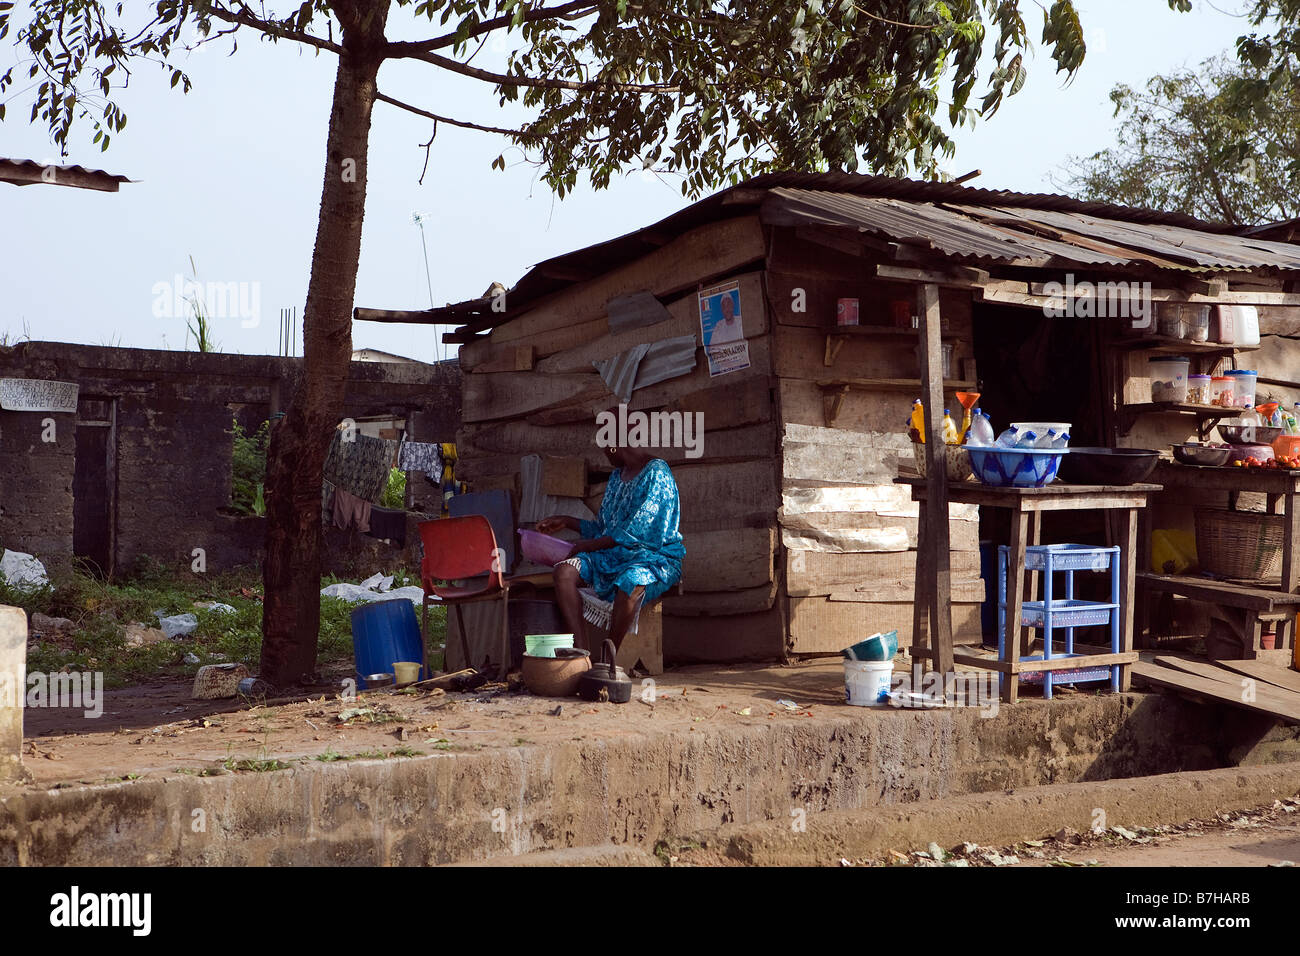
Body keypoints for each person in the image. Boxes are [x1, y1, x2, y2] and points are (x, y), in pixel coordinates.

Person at [536, 445, 684, 650]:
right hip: (612, 557)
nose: (604, 452)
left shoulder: (657, 472)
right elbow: (603, 529)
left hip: (652, 557)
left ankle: (608, 659)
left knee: (630, 582)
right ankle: (582, 655)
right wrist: (567, 521)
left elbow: (637, 533)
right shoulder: (617, 477)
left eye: (606, 447)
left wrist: (585, 546)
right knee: (564, 572)